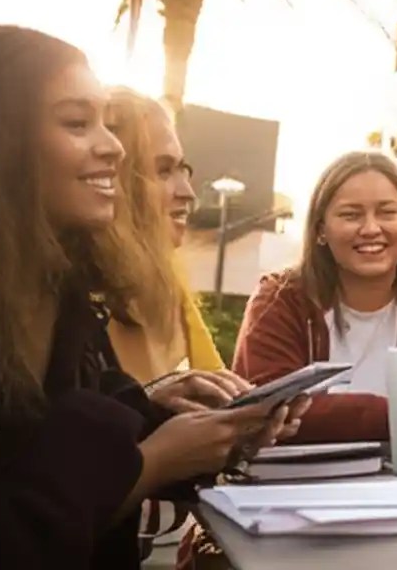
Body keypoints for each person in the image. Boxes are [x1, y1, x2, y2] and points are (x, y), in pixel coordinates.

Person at [0, 25, 303, 568]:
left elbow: (83, 431)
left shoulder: (62, 300)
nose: (113, 148)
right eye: (78, 123)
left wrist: (182, 419)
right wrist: (148, 462)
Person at [99, 89, 250, 558]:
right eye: (163, 170)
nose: (187, 191)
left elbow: (217, 412)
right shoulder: (61, 309)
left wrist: (250, 419)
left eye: (184, 169)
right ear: (108, 177)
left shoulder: (172, 293)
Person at [233, 151, 397, 443]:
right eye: (351, 215)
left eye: (387, 212)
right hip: (294, 483)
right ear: (321, 229)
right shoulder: (279, 300)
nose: (371, 229)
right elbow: (272, 411)